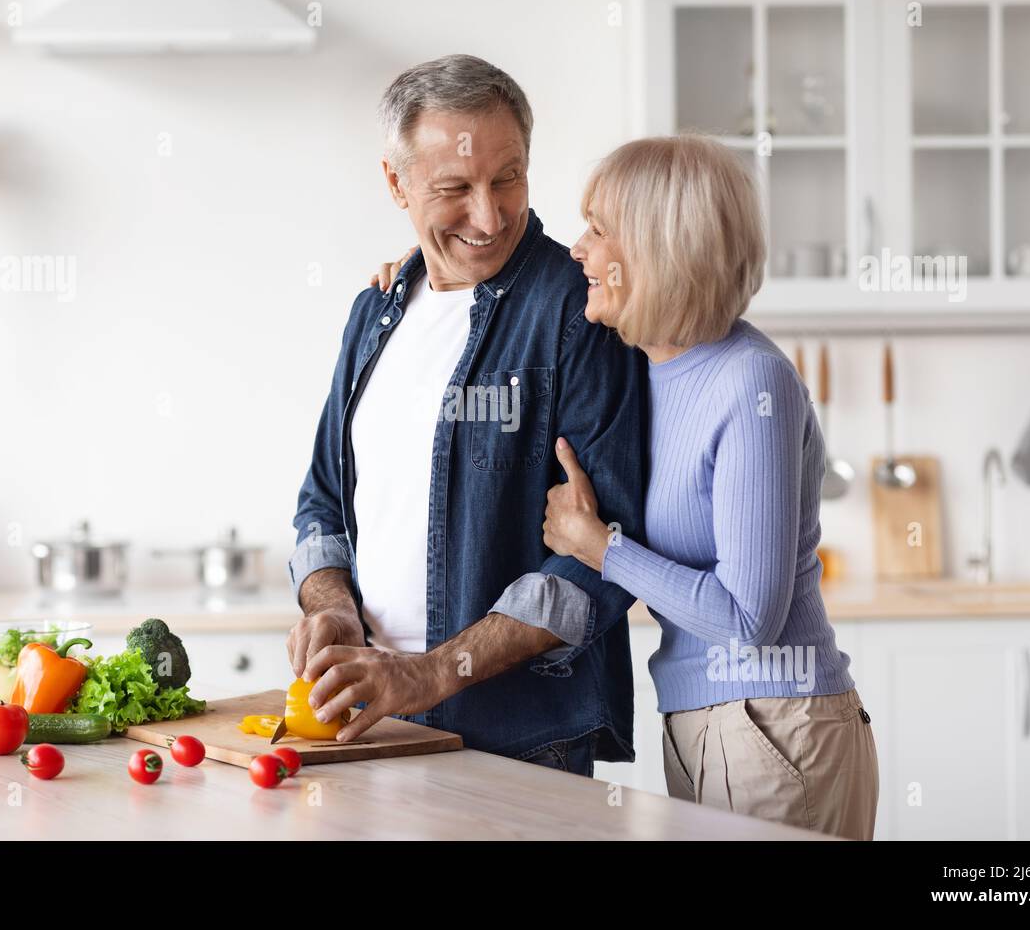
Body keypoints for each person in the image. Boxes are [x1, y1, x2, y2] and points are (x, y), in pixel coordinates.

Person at [287, 54, 647, 776]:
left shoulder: (577, 312)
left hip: (521, 734)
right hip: (371, 722)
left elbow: (605, 558)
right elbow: (321, 504)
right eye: (455, 187)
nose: (490, 216)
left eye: (507, 177)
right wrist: (332, 608)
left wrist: (427, 674)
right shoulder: (373, 315)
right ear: (396, 183)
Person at [541, 134, 879, 838]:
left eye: (599, 229)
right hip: (705, 725)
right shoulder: (644, 368)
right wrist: (416, 272)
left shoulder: (751, 382)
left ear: (658, 249)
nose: (579, 248)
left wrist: (598, 547)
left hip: (775, 724)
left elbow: (749, 620)